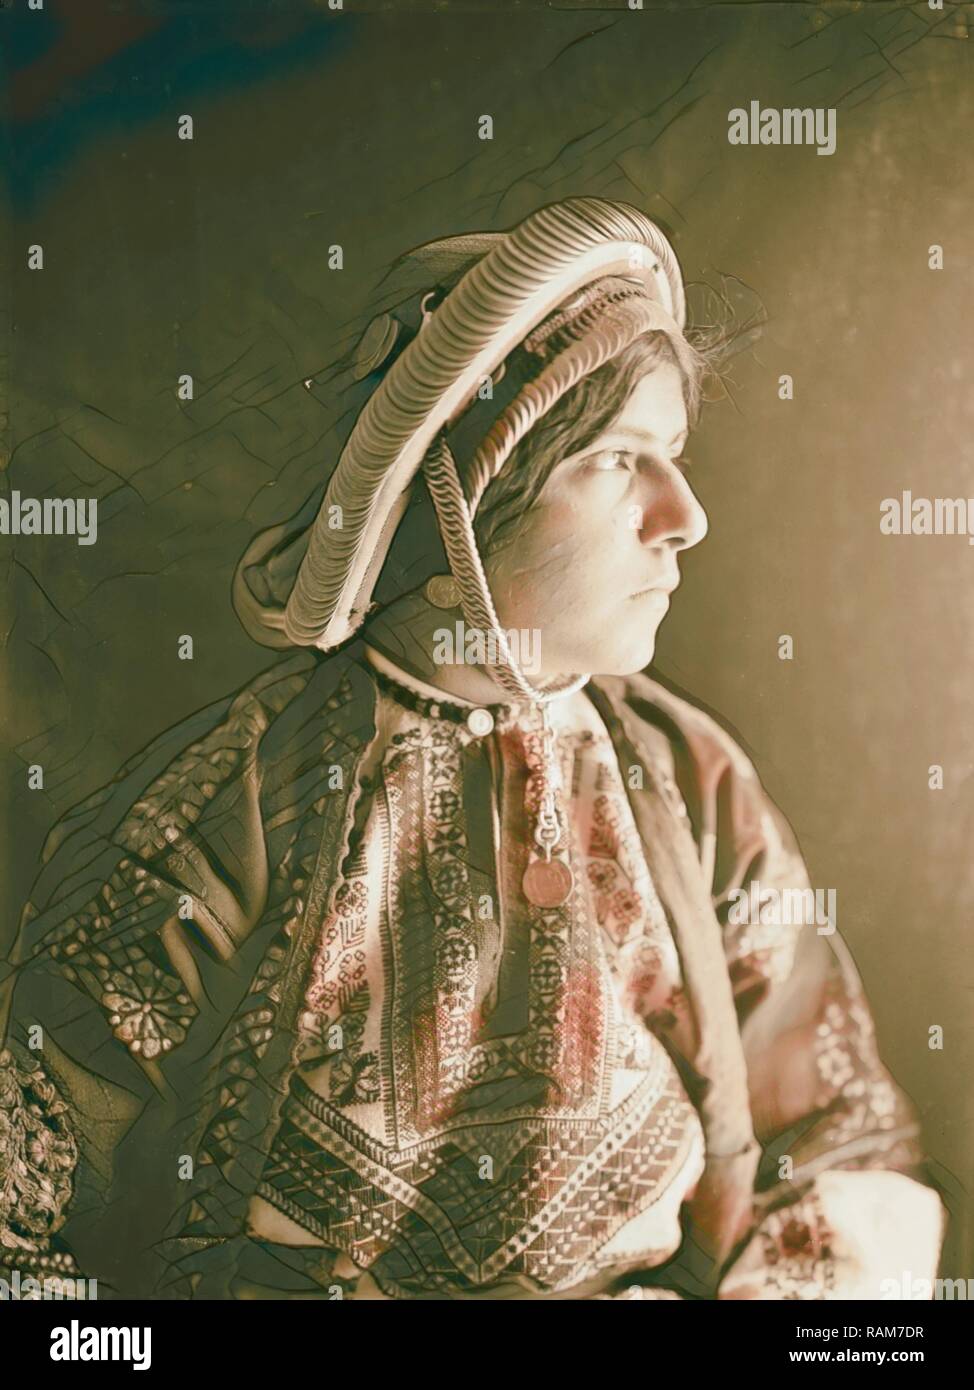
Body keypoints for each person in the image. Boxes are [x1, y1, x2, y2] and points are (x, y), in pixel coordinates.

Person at [0, 196, 945, 1300]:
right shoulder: (220, 816)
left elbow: (836, 1142)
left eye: (673, 455)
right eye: (616, 460)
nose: (683, 514)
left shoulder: (687, 779)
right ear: (457, 506)